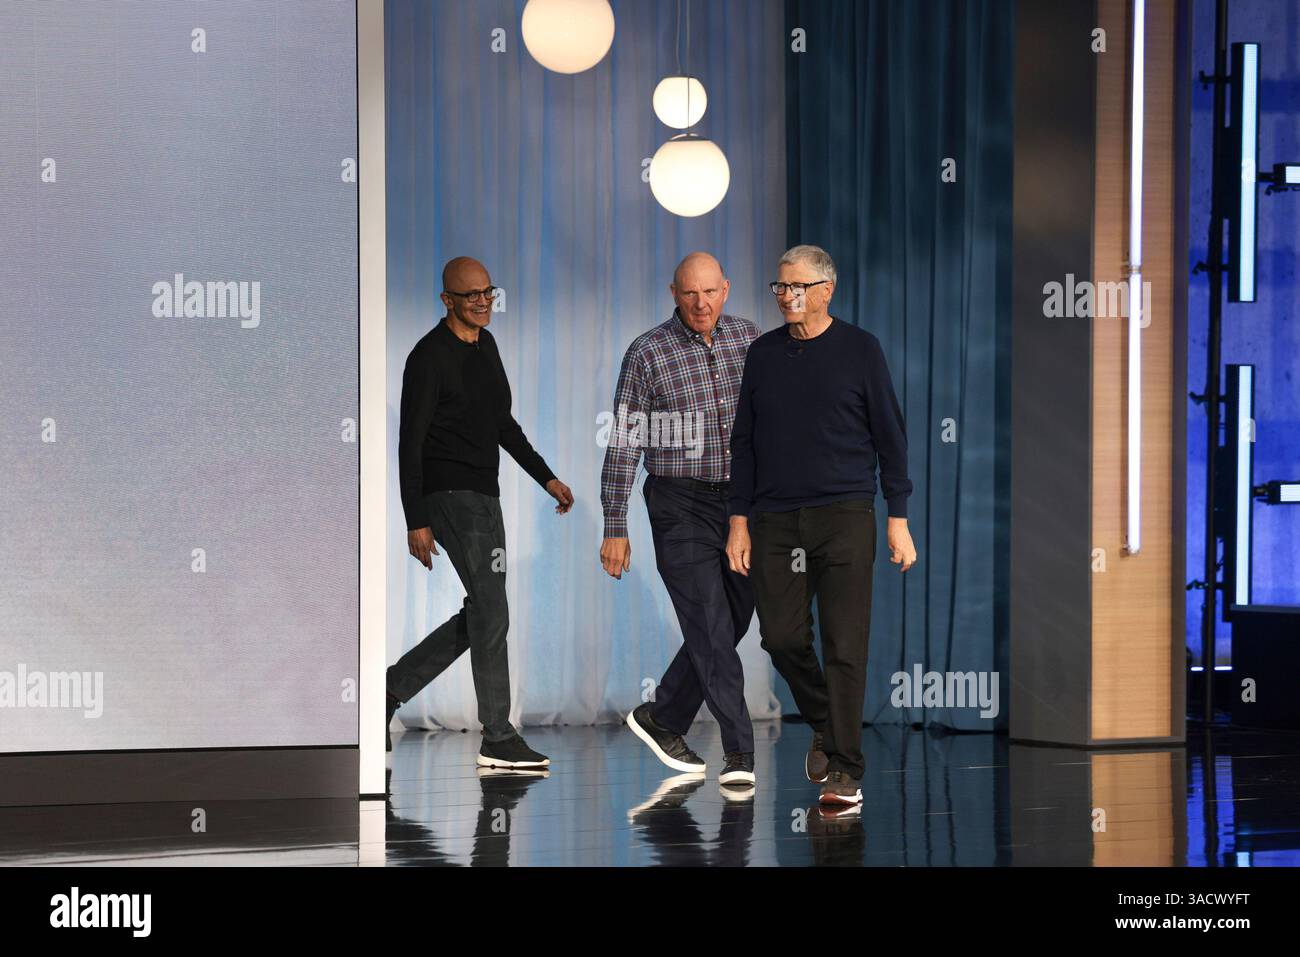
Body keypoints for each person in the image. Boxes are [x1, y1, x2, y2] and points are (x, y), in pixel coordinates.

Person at [725, 244, 917, 807]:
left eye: (797, 287)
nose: (786, 296)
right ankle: (829, 728)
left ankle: (846, 771)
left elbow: (891, 438)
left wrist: (897, 517)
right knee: (780, 636)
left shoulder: (861, 351)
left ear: (826, 291)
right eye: (780, 288)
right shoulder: (761, 355)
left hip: (845, 515)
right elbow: (744, 443)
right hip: (776, 517)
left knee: (844, 643)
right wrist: (739, 520)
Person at [388, 256, 574, 767]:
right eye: (471, 296)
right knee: (492, 610)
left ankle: (390, 689)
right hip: (446, 497)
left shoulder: (486, 346)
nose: (483, 302)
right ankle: (497, 736)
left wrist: (547, 477)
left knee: (486, 611)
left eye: (487, 292)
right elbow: (410, 442)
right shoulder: (427, 357)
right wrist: (414, 519)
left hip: (483, 496)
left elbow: (502, 424)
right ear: (447, 300)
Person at [600, 252, 761, 787]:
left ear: (727, 289)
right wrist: (614, 524)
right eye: (690, 293)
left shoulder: (750, 339)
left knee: (732, 620)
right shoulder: (647, 352)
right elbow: (624, 441)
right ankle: (740, 755)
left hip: (740, 505)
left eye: (711, 292)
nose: (701, 303)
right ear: (673, 293)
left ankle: (662, 715)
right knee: (711, 626)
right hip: (679, 504)